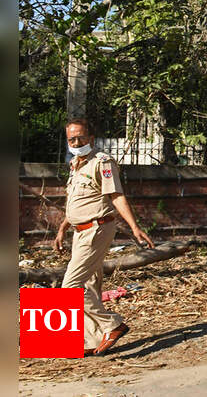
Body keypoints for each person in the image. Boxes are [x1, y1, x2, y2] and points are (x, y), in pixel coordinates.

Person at [53, 118, 155, 356]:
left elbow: (116, 196)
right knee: (87, 285)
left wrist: (134, 227)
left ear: (91, 138)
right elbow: (77, 201)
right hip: (79, 231)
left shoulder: (103, 162)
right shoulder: (76, 164)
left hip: (96, 229)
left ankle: (112, 325)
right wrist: (62, 228)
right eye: (71, 139)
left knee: (70, 287)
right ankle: (91, 340)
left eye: (80, 138)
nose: (76, 143)